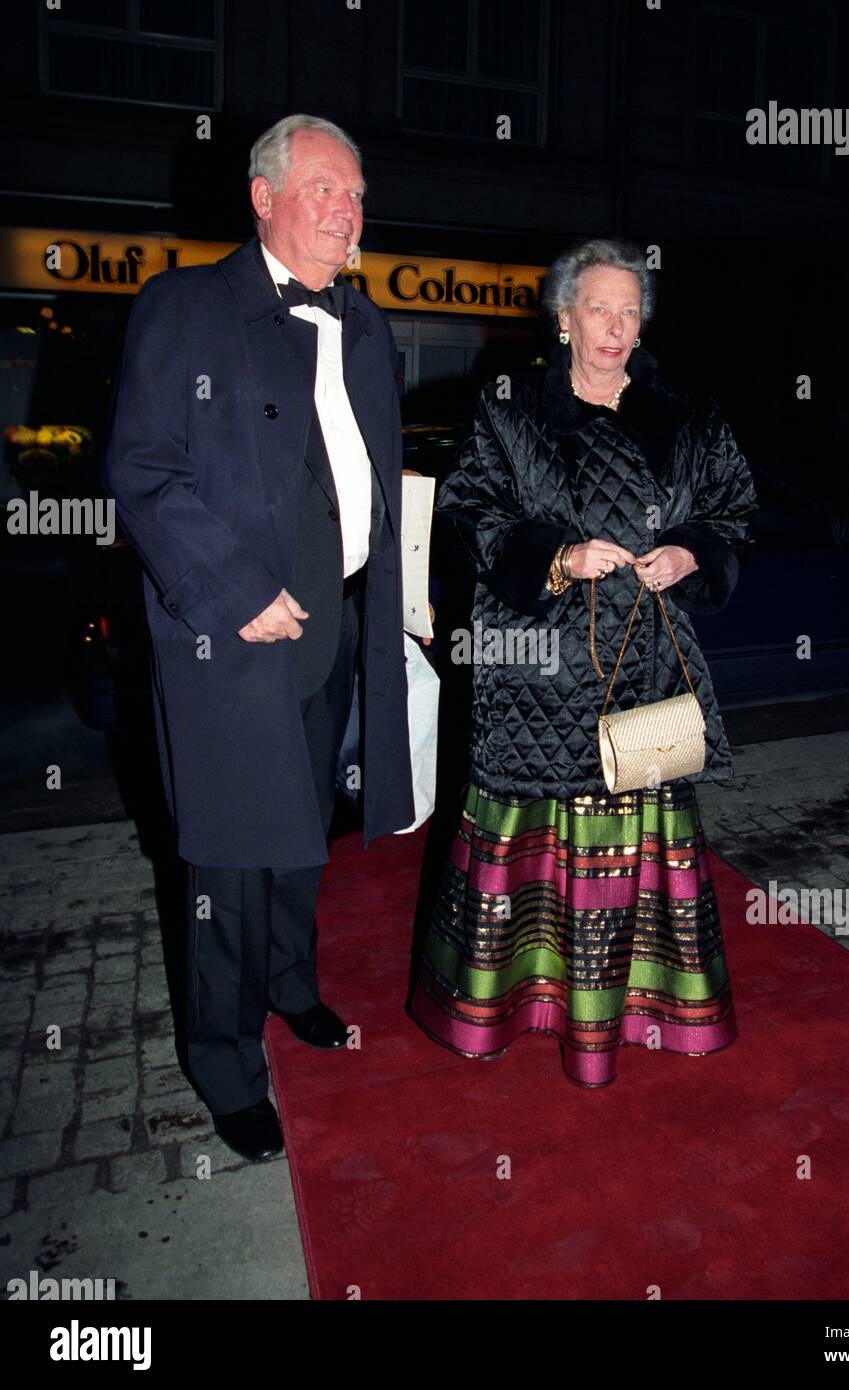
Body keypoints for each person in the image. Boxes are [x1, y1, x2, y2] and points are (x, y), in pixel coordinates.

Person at [103, 114, 414, 1158]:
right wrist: (235, 589)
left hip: (337, 628)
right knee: (228, 866)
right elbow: (144, 474)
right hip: (228, 640)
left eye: (357, 193)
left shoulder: (365, 326)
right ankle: (227, 1066)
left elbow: (360, 479)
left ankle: (292, 987)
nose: (348, 210)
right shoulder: (184, 306)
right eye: (325, 189)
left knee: (302, 840)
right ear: (262, 195)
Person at [408, 238, 757, 1086]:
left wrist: (692, 555)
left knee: (642, 839)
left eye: (629, 311)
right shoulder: (511, 410)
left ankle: (641, 1013)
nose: (614, 326)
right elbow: (467, 512)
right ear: (562, 318)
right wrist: (558, 558)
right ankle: (514, 1007)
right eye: (597, 309)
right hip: (539, 672)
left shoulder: (687, 413)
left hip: (643, 674)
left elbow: (732, 510)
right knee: (534, 835)